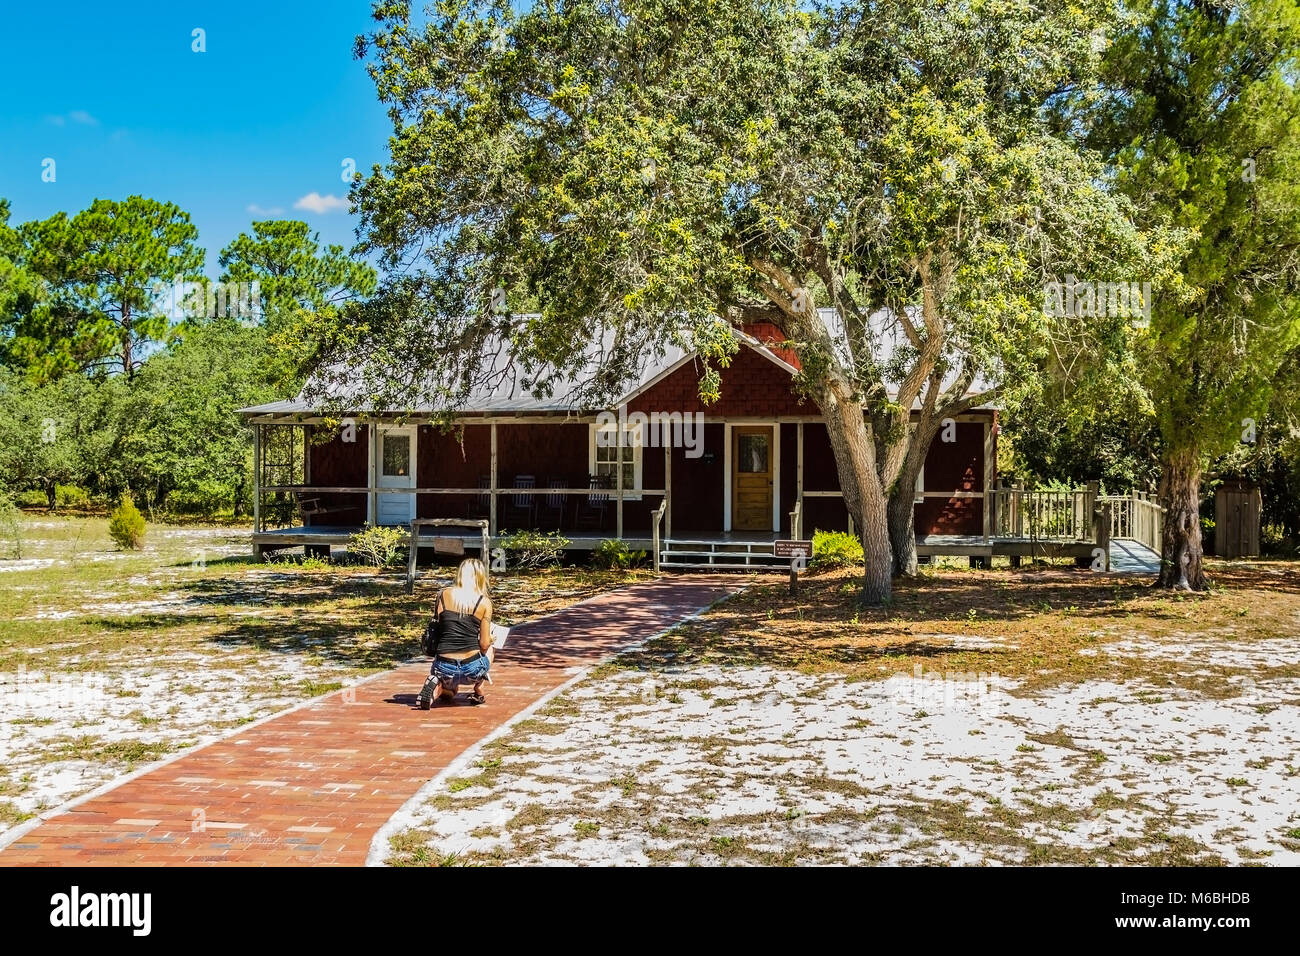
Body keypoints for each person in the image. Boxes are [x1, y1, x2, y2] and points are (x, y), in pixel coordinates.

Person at [417, 557, 495, 708]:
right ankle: (479, 687)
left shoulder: (443, 595)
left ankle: (437, 686)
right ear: (480, 577)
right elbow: (484, 644)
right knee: (491, 647)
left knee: (450, 692)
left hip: (444, 665)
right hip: (471, 669)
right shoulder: (483, 602)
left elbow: (441, 626)